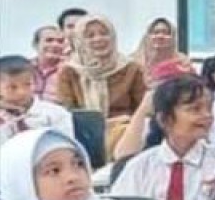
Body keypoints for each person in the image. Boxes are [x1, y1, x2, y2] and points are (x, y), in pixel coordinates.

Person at [56, 14, 147, 157]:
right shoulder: (69, 71)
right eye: (90, 36)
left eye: (104, 33)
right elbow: (65, 111)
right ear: (79, 41)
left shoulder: (132, 68)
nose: (98, 39)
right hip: (83, 135)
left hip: (124, 133)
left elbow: (142, 108)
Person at [0, 55, 75, 148]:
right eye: (12, 87)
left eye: (28, 84)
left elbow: (66, 147)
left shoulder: (56, 114)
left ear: (35, 83)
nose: (22, 92)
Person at [132, 17, 194, 85]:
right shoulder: (133, 62)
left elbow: (192, 85)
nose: (160, 36)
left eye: (166, 33)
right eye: (155, 32)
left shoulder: (182, 62)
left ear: (173, 38)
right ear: (147, 37)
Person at [30, 25, 66, 103]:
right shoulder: (24, 68)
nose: (55, 45)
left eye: (60, 41)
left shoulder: (69, 71)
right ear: (35, 44)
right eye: (49, 40)